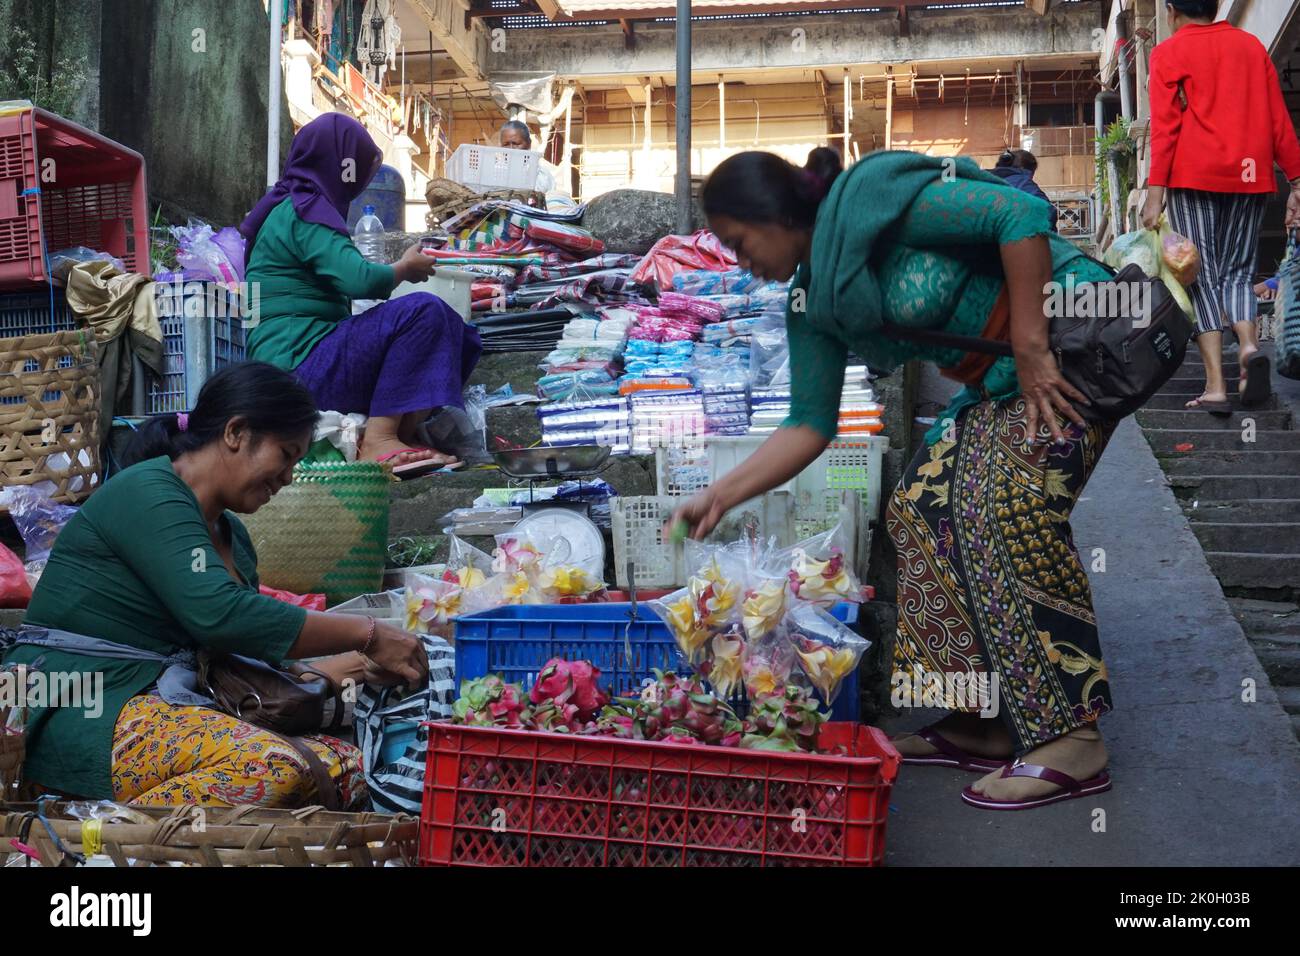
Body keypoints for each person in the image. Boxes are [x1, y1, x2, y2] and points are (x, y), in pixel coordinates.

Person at [672, 146, 1116, 811]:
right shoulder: (813, 299)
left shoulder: (881, 203)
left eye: (740, 242)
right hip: (998, 386)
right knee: (918, 510)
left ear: (774, 212)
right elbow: (809, 424)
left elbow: (1020, 216)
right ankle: (977, 718)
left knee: (999, 507)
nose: (741, 263)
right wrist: (719, 494)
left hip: (1078, 338)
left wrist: (1030, 347)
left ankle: (1072, 736)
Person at [0, 363, 430, 808]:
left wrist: (361, 665)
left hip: (161, 703)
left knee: (348, 766)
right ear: (236, 433)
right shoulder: (148, 492)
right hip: (83, 704)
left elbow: (248, 649)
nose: (287, 478)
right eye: (286, 455)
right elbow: (222, 615)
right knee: (272, 768)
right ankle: (97, 837)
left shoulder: (233, 537)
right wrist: (368, 633)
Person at [242, 112, 481, 477]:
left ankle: (404, 437)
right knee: (423, 312)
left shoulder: (291, 207)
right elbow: (360, 280)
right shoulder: (303, 208)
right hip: (296, 370)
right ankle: (379, 440)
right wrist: (404, 268)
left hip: (304, 364)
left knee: (457, 332)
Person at [1140, 0, 1300, 411]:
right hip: (1250, 175)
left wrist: (1154, 195)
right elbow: (1278, 120)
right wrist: (1297, 180)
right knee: (1238, 274)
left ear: (1172, 11)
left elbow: (1165, 127)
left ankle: (1216, 387)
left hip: (1194, 175)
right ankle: (1248, 347)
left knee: (1202, 277)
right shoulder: (1250, 48)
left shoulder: (1169, 52)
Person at [989, 148, 1058, 232]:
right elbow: (1046, 211)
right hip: (1012, 238)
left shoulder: (989, 178)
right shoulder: (1021, 181)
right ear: (1024, 168)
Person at [498, 119, 557, 194]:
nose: (511, 149)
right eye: (506, 144)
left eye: (516, 143)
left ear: (529, 144)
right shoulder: (494, 175)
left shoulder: (542, 177)